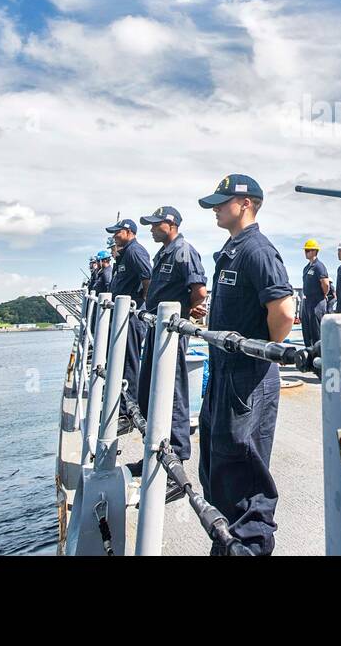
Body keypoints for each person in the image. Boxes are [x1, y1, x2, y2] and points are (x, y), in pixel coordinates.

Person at [195, 174, 293, 555]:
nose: (216, 208)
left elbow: (283, 311)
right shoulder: (232, 248)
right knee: (219, 458)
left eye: (222, 201)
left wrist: (261, 347)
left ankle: (249, 546)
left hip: (247, 375)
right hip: (224, 372)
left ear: (246, 204)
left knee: (243, 461)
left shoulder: (257, 250)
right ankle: (227, 541)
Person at [131, 205, 206, 502]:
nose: (150, 228)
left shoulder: (183, 251)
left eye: (155, 224)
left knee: (172, 394)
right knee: (150, 392)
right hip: (156, 329)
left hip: (171, 331)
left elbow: (198, 292)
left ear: (170, 224)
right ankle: (155, 453)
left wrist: (185, 314)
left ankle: (177, 466)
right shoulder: (164, 252)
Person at [106, 217, 152, 390]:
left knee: (129, 360)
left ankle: (128, 406)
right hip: (123, 313)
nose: (114, 236)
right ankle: (122, 402)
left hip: (132, 314)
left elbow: (147, 276)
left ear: (129, 232)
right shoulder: (125, 253)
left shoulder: (134, 251)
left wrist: (144, 301)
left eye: (117, 232)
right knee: (122, 357)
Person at [299, 238, 330, 347]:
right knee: (307, 331)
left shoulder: (319, 266)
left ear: (314, 251)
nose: (305, 253)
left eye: (307, 250)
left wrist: (322, 296)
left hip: (317, 302)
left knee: (317, 331)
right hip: (307, 302)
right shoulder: (306, 268)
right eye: (305, 250)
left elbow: (325, 284)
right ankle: (309, 356)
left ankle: (319, 358)